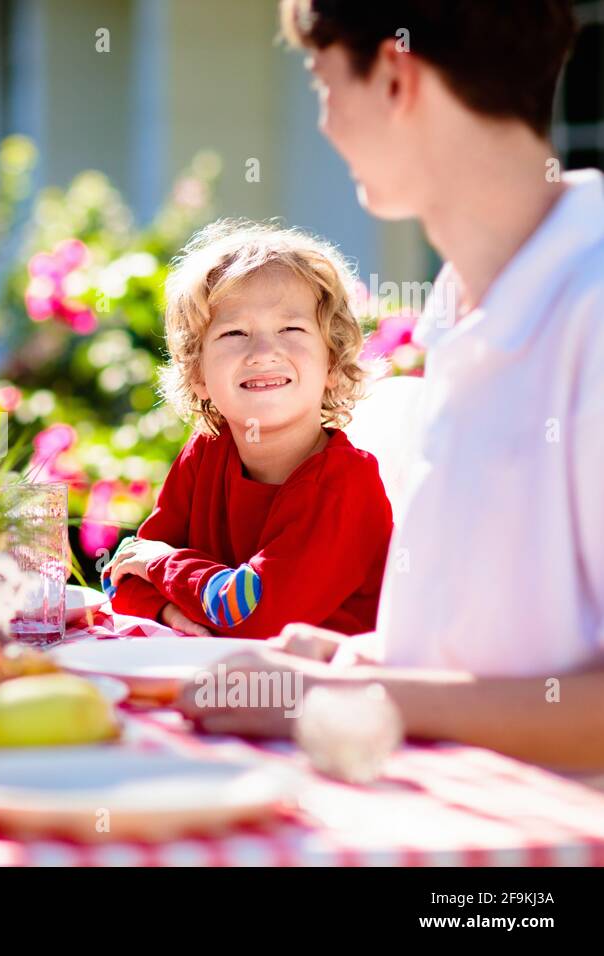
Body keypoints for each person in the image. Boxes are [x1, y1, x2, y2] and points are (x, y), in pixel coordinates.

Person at [177, 0, 604, 771]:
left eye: (323, 82)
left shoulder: (592, 303)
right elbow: (512, 649)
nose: (326, 122)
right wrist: (357, 658)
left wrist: (336, 698)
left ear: (397, 78)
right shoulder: (465, 301)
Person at [104, 220, 391, 637]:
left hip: (318, 694)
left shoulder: (345, 484)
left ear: (332, 363)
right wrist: (169, 611)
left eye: (291, 329)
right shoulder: (205, 454)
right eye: (234, 332)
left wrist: (161, 566)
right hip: (215, 683)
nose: (263, 352)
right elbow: (122, 574)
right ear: (198, 373)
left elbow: (254, 613)